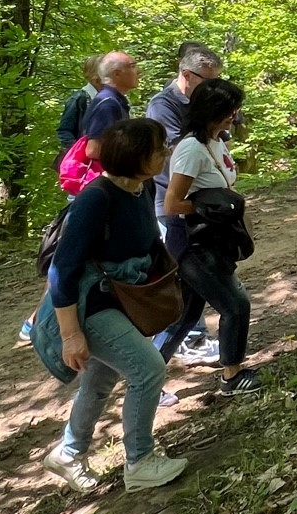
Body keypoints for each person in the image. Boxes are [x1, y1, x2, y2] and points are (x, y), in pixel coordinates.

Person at [35, 119, 186, 493]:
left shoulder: (140, 186)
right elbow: (62, 270)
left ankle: (68, 453)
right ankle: (140, 462)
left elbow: (146, 241)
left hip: (118, 296)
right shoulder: (95, 198)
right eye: (158, 149)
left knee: (102, 378)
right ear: (135, 157)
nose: (165, 154)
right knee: (148, 369)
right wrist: (71, 336)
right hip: (88, 303)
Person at [155, 79, 259, 398]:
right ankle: (232, 375)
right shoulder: (190, 149)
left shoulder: (215, 141)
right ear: (212, 111)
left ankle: (146, 377)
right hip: (194, 246)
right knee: (235, 305)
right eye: (229, 110)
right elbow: (172, 204)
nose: (234, 115)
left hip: (214, 241)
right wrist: (209, 209)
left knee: (184, 316)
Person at [144, 43, 226, 368]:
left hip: (197, 202)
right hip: (170, 203)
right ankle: (184, 342)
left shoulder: (201, 103)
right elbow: (186, 150)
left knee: (194, 278)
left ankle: (189, 338)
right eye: (208, 82)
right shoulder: (162, 105)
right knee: (182, 278)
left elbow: (218, 141)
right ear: (187, 76)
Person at [79, 53, 138, 144]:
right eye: (132, 66)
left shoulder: (115, 100)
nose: (138, 71)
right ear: (117, 74)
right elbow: (94, 150)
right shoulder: (107, 105)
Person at [54, 57, 103, 159]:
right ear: (96, 75)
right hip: (82, 162)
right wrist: (78, 154)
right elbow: (64, 131)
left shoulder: (109, 98)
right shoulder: (80, 98)